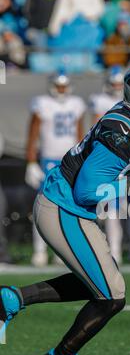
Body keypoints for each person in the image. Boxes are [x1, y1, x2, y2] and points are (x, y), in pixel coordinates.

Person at [0, 61, 130, 355]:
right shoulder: (124, 131)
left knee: (99, 286)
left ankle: (13, 299)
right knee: (112, 295)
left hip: (73, 208)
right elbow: (86, 190)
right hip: (63, 207)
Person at [25, 73, 86, 267]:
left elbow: (80, 134)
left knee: (68, 204)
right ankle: (40, 250)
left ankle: (61, 251)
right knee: (43, 203)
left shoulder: (76, 103)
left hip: (69, 159)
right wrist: (31, 161)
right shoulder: (42, 103)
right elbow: (33, 133)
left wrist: (82, 160)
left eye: (64, 86)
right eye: (58, 86)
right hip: (48, 160)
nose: (61, 90)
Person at [89, 66, 130, 264]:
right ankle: (114, 250)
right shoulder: (101, 101)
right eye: (114, 84)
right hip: (111, 160)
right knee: (111, 207)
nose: (116, 88)